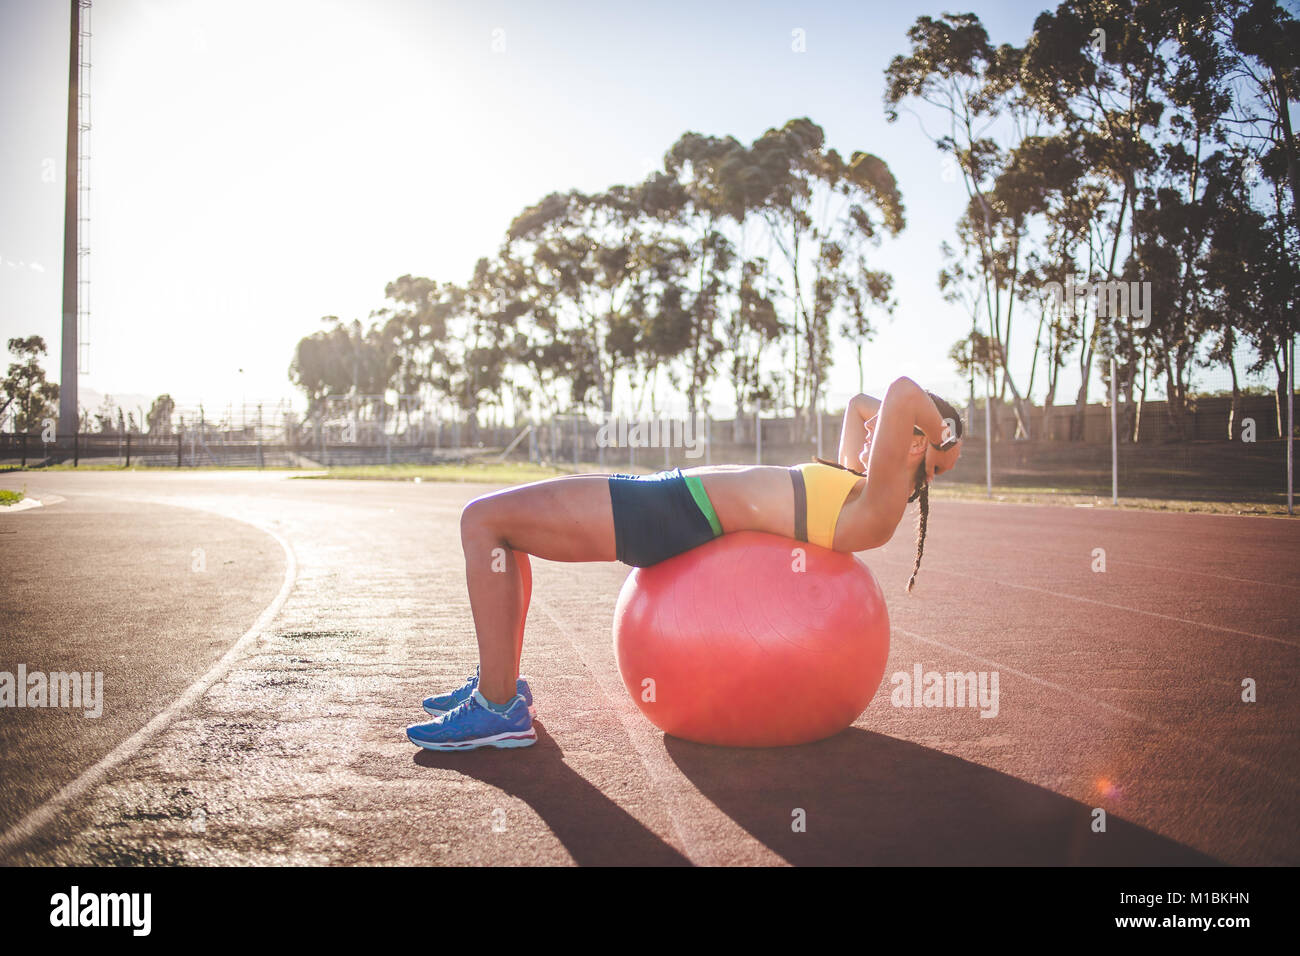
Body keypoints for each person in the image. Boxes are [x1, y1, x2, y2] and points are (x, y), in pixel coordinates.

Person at [407, 376, 964, 751]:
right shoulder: (857, 485)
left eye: (931, 461)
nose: (874, 432)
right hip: (669, 496)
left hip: (672, 516)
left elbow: (899, 393)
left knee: (484, 521)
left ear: (917, 444)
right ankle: (500, 685)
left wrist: (942, 434)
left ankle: (499, 707)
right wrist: (918, 436)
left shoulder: (877, 512)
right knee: (498, 525)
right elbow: (861, 407)